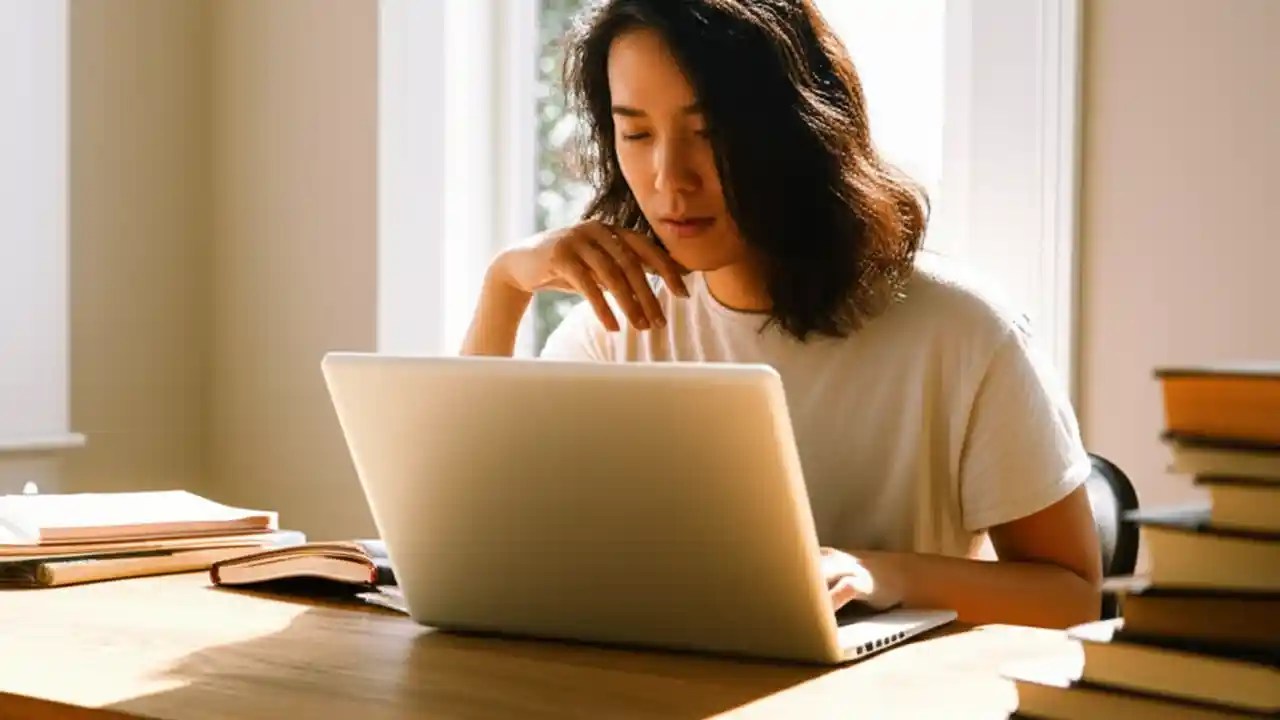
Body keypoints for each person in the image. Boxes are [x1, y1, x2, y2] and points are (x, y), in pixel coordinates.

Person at [461, 0, 1101, 629]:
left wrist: (887, 575)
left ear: (795, 128)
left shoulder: (963, 332)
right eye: (636, 134)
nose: (669, 178)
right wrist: (506, 285)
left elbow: (1072, 594)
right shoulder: (616, 330)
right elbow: (471, 533)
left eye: (708, 134)